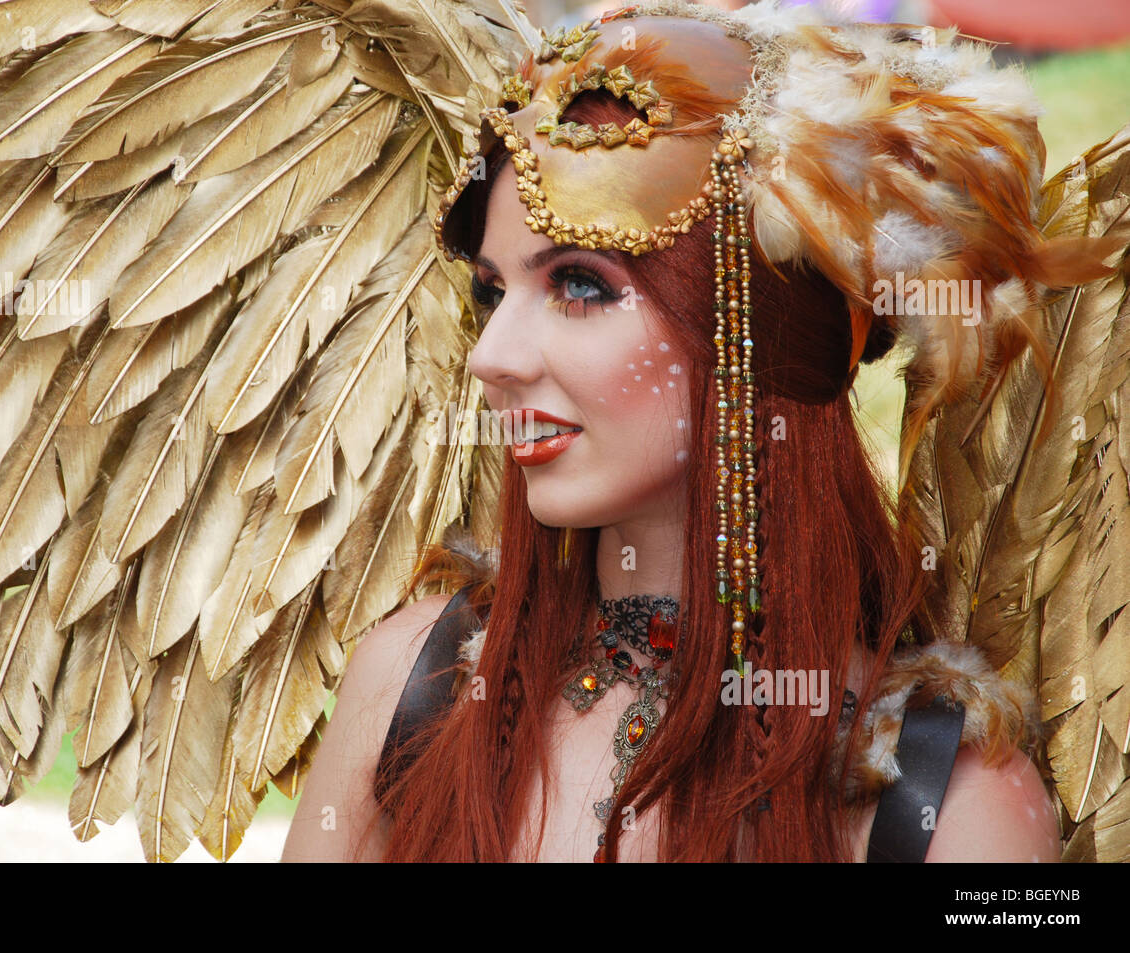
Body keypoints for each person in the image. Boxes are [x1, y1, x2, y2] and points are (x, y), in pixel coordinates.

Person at [281, 4, 1086, 862]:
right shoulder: (417, 685)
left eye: (581, 286)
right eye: (490, 290)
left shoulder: (942, 797)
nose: (493, 355)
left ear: (755, 335)